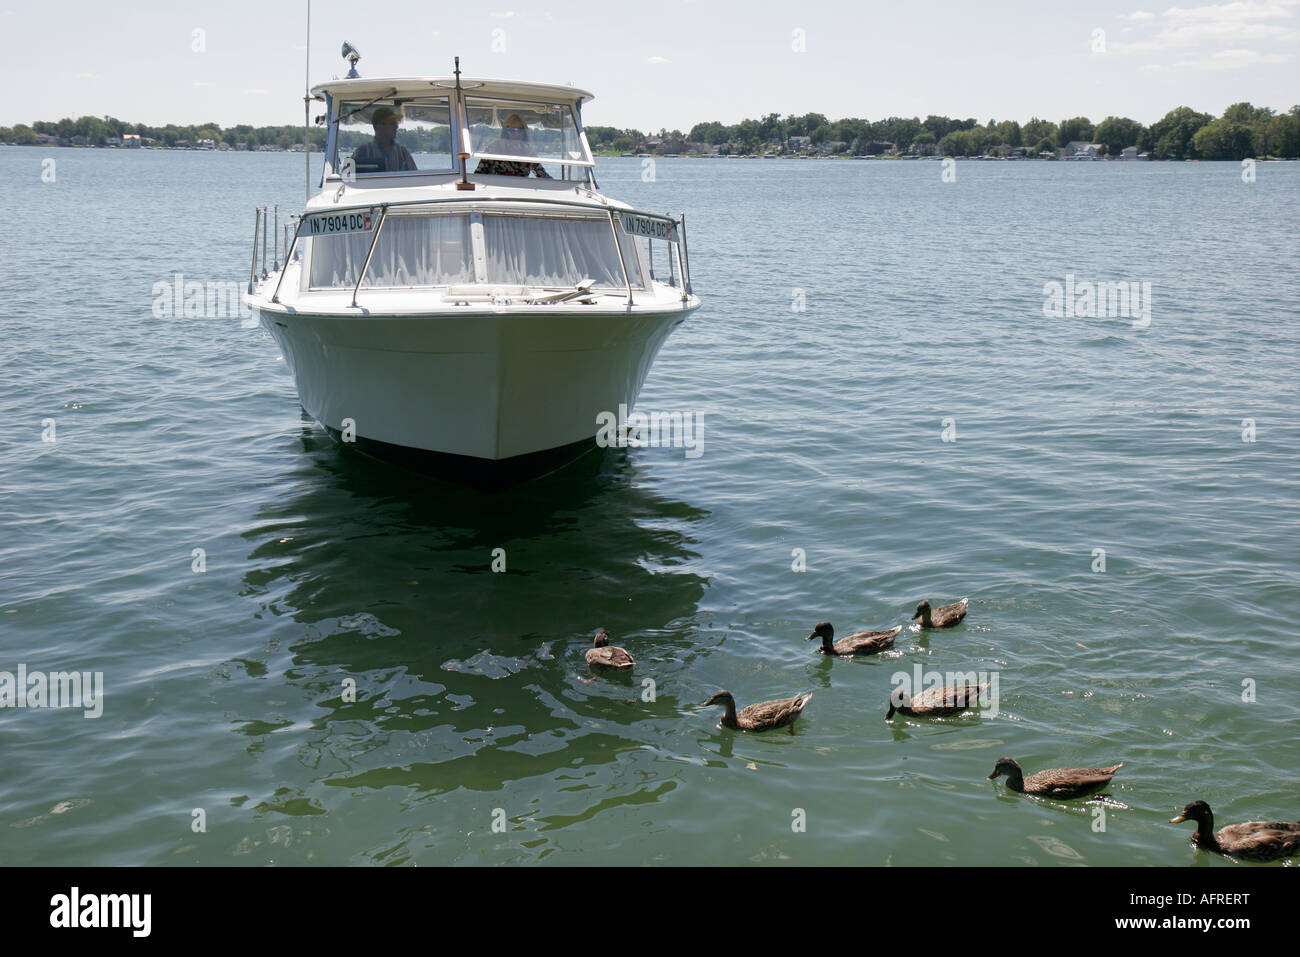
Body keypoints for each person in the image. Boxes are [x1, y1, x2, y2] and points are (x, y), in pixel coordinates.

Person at [474, 114, 552, 178]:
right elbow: (478, 174)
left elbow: (543, 175)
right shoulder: (494, 147)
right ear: (506, 132)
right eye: (511, 130)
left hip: (518, 193)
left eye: (520, 130)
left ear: (525, 132)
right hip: (496, 192)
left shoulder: (529, 151)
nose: (516, 134)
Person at [352, 107, 417, 173]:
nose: (396, 126)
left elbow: (415, 179)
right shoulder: (362, 152)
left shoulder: (403, 153)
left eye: (396, 123)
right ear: (379, 126)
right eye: (392, 123)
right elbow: (348, 179)